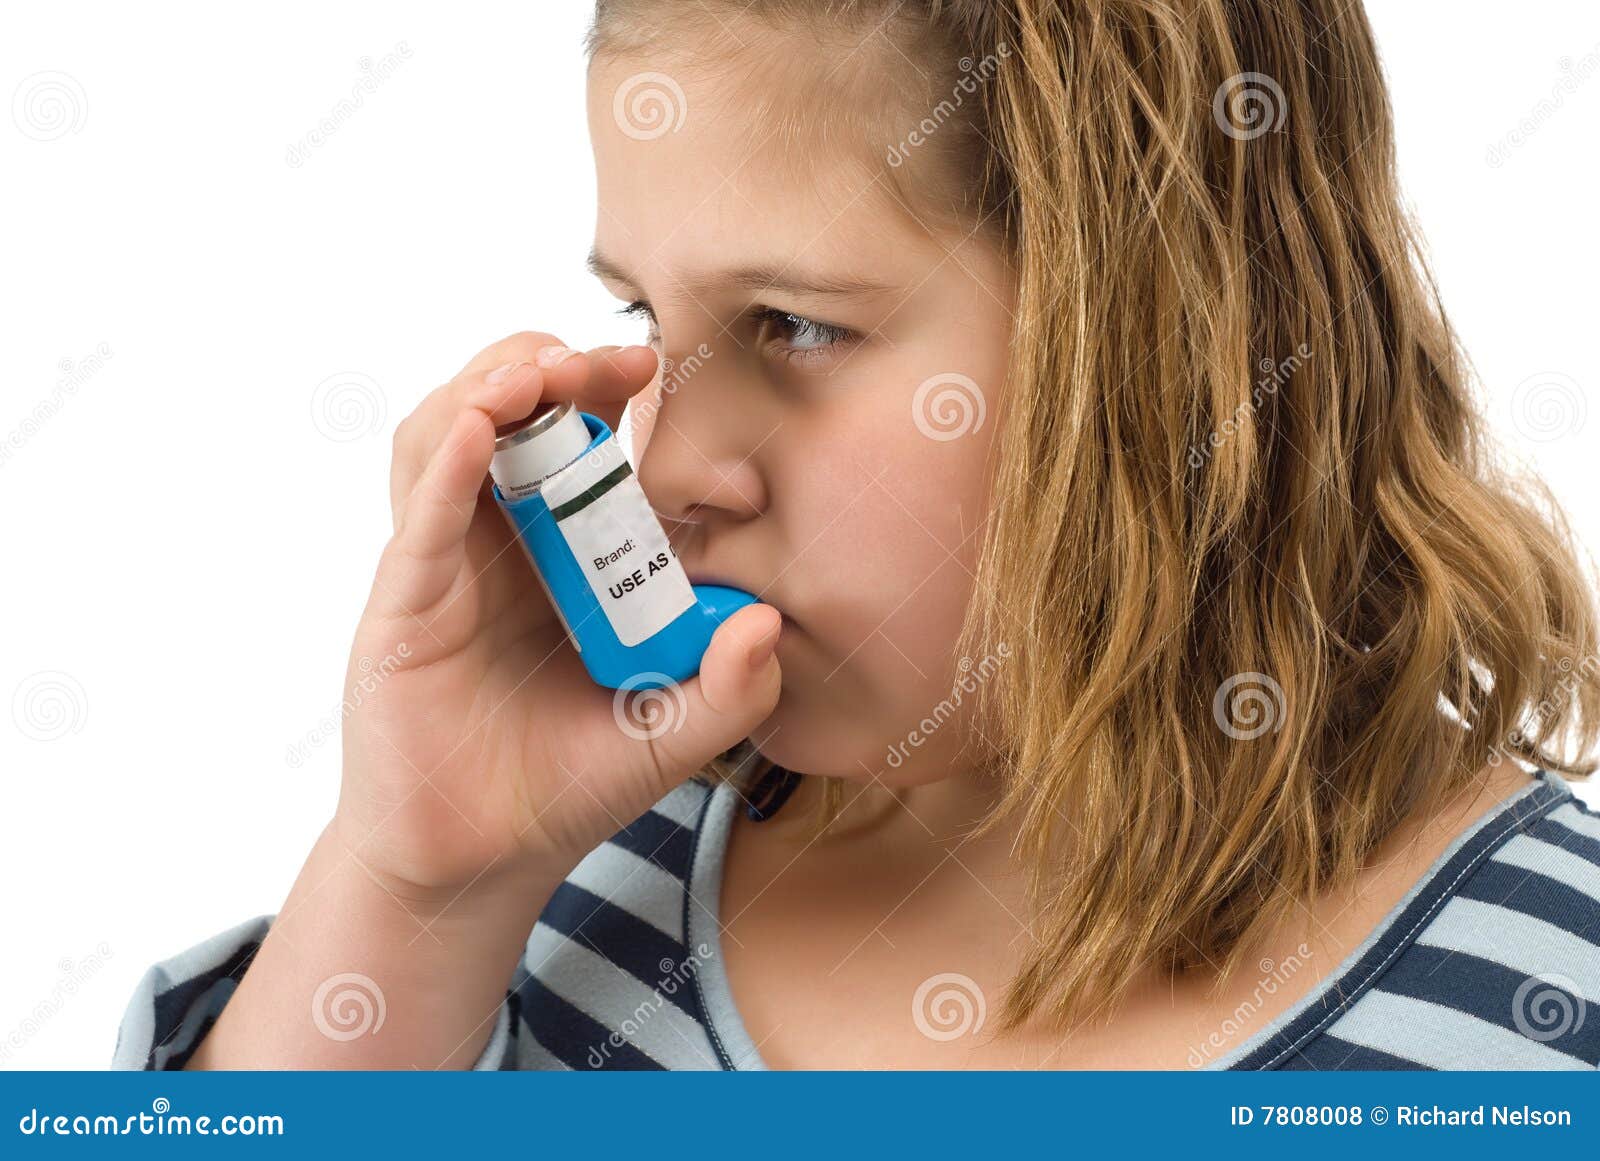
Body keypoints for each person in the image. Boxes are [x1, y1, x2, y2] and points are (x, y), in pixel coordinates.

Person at [116, 0, 1600, 1070]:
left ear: (1176, 340)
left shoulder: (1545, 1008)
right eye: (647, 319)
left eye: (798, 327)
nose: (670, 464)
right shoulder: (553, 897)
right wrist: (413, 885)